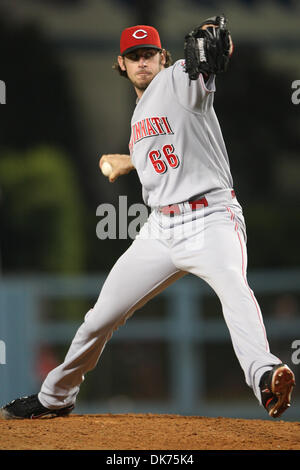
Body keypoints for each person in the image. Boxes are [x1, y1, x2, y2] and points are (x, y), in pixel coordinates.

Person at [0, 19, 295, 420]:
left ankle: (264, 374)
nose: (143, 62)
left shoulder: (179, 80)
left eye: (149, 54)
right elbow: (164, 149)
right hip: (161, 229)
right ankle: (56, 397)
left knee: (233, 289)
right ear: (121, 64)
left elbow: (209, 59)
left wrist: (214, 40)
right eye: (134, 56)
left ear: (164, 58)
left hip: (211, 217)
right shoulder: (139, 116)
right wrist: (128, 160)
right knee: (99, 318)